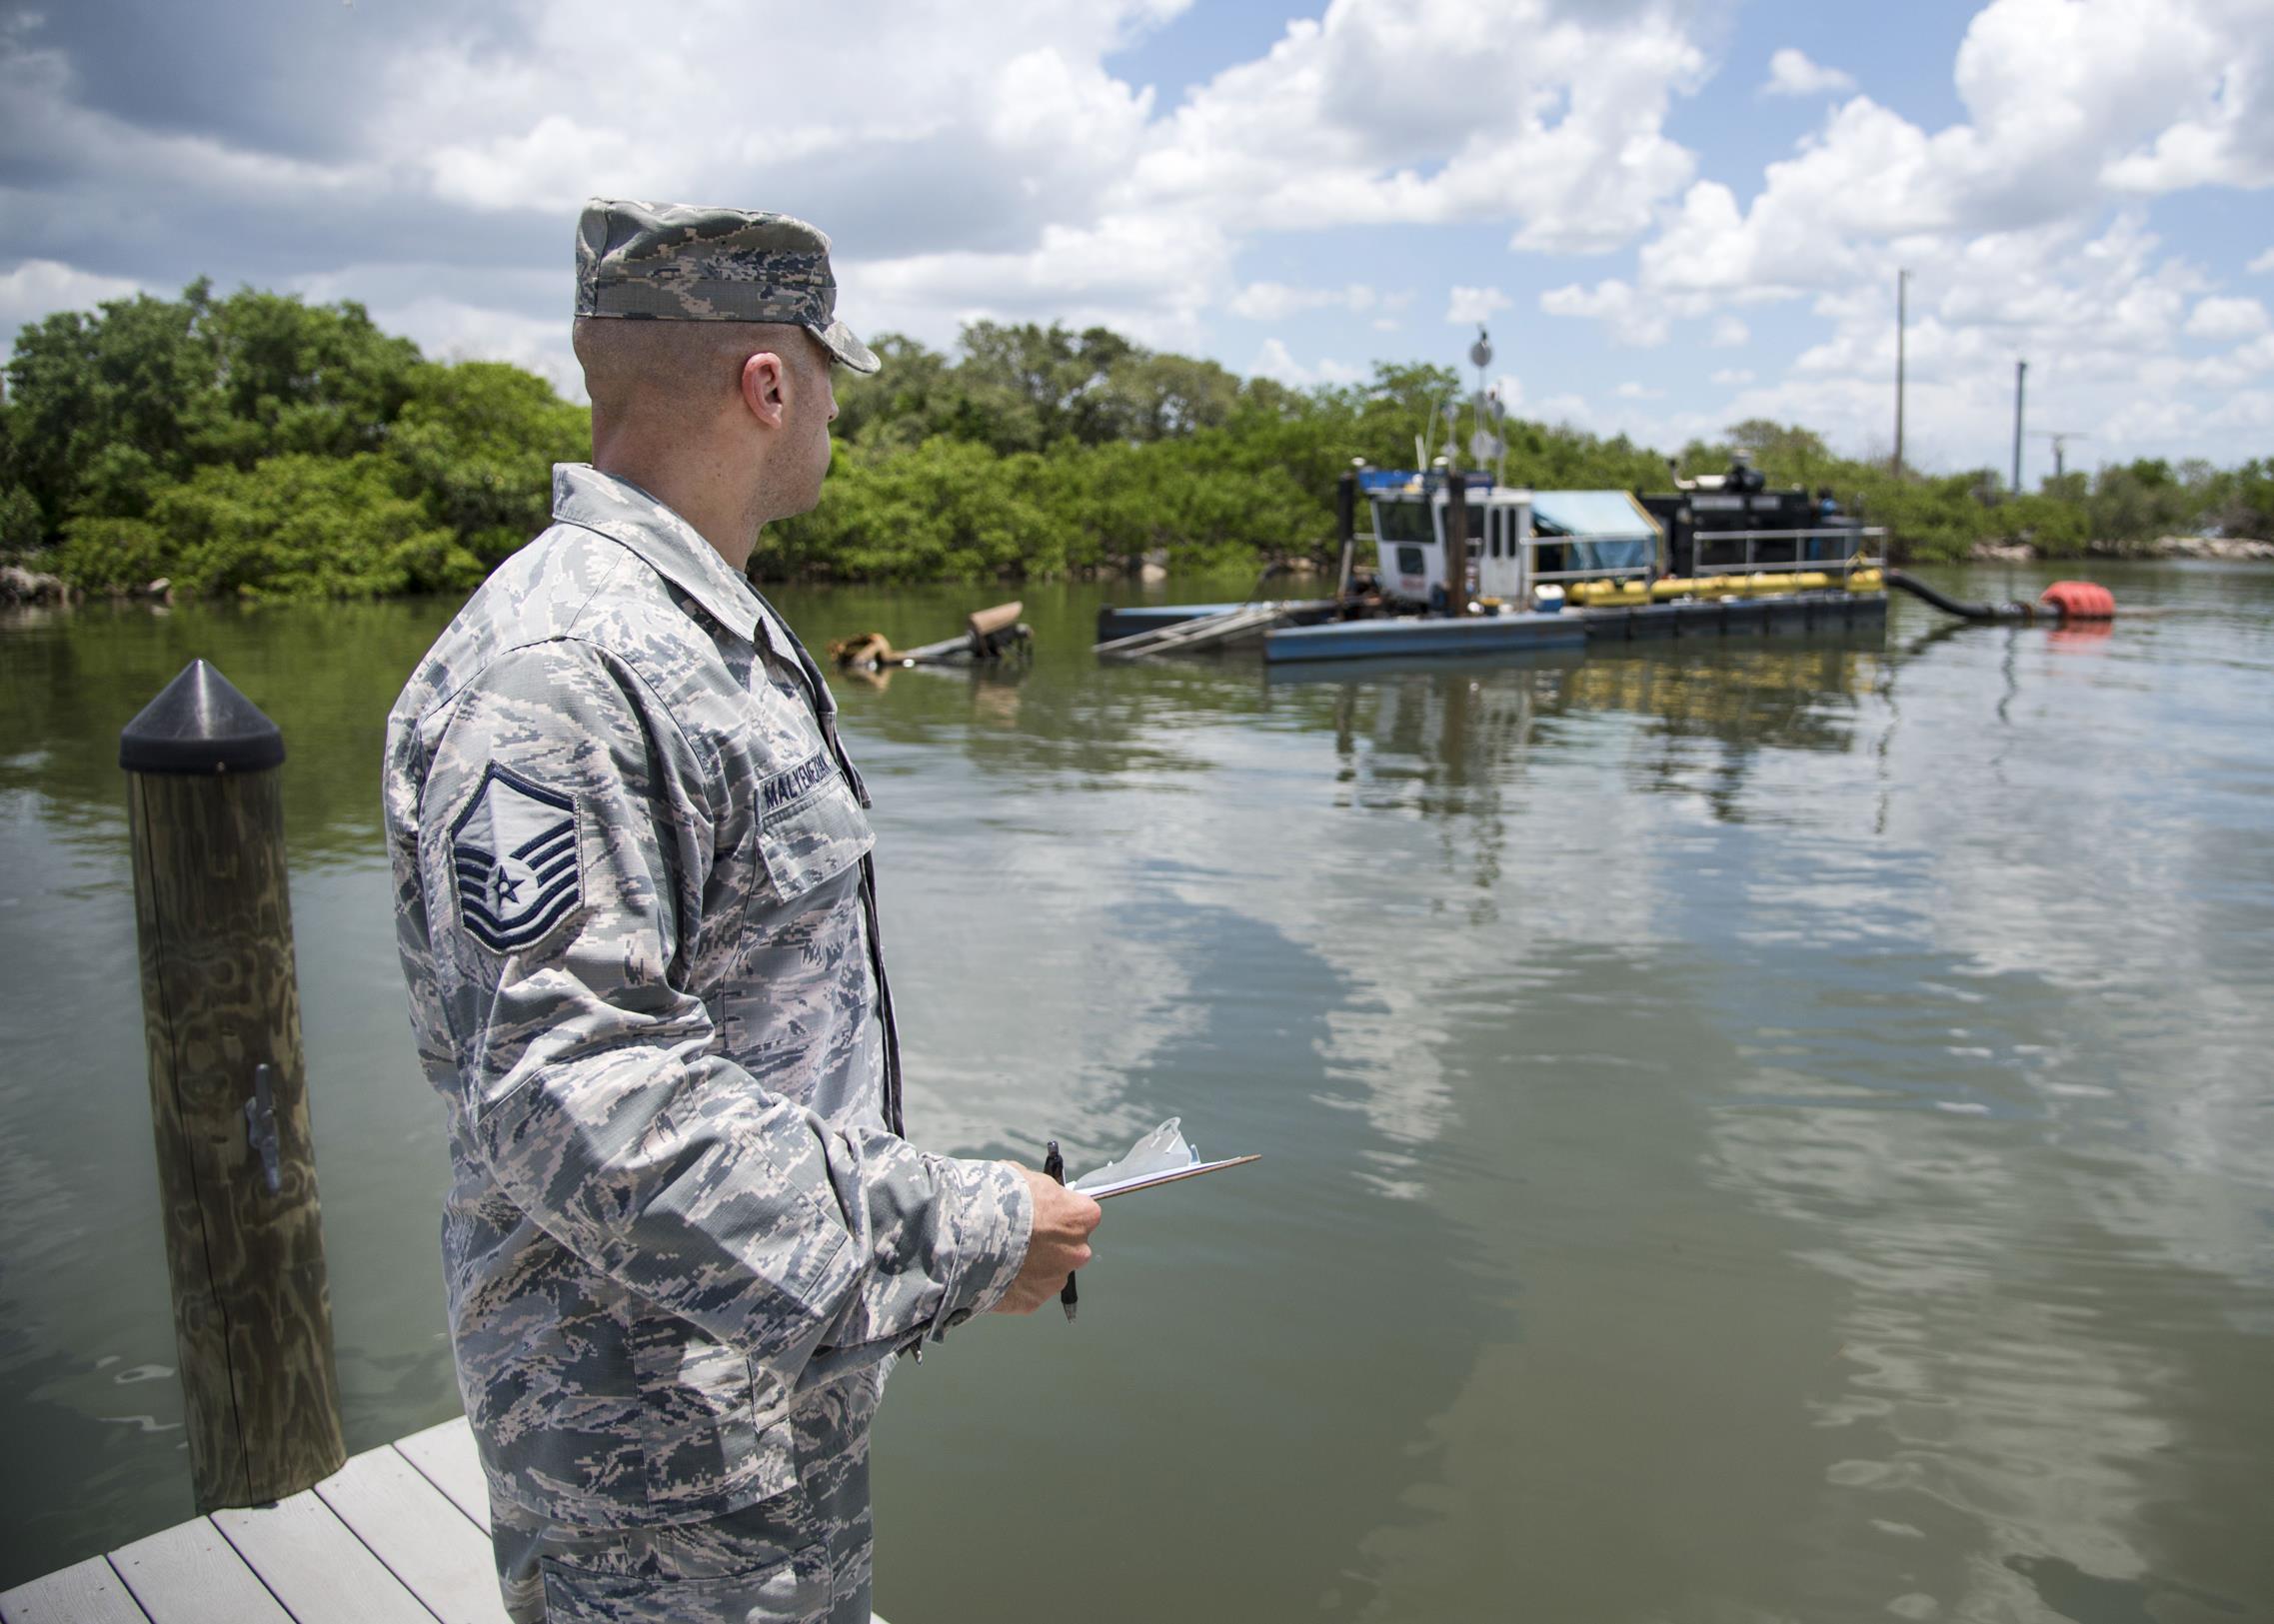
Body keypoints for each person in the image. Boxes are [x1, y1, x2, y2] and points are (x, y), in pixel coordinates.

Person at [382, 199, 1102, 1624]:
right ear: (769, 383)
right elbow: (583, 1104)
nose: (836, 407)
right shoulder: (562, 671)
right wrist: (959, 1230)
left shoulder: (697, 629)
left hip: (753, 1420)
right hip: (652, 1478)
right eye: (828, 373)